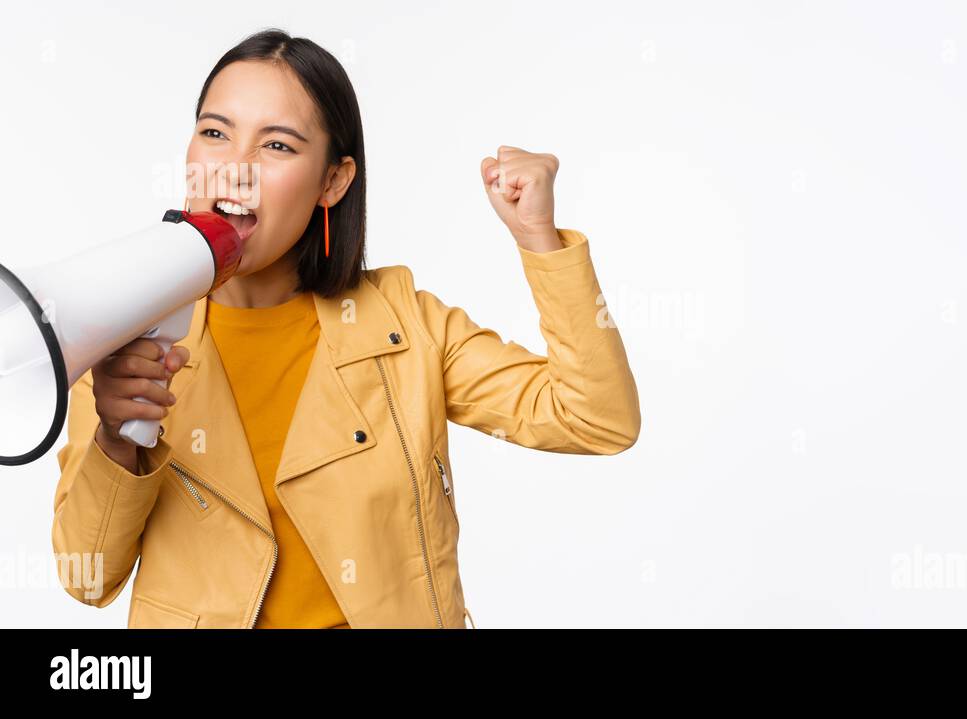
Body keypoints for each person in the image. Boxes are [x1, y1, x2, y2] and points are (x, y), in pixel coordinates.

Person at [50, 28, 639, 629]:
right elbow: (85, 577)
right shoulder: (120, 340)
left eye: (277, 146)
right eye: (215, 133)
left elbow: (596, 418)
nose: (235, 169)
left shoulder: (406, 324)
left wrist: (538, 239)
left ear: (333, 181)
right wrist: (118, 441)